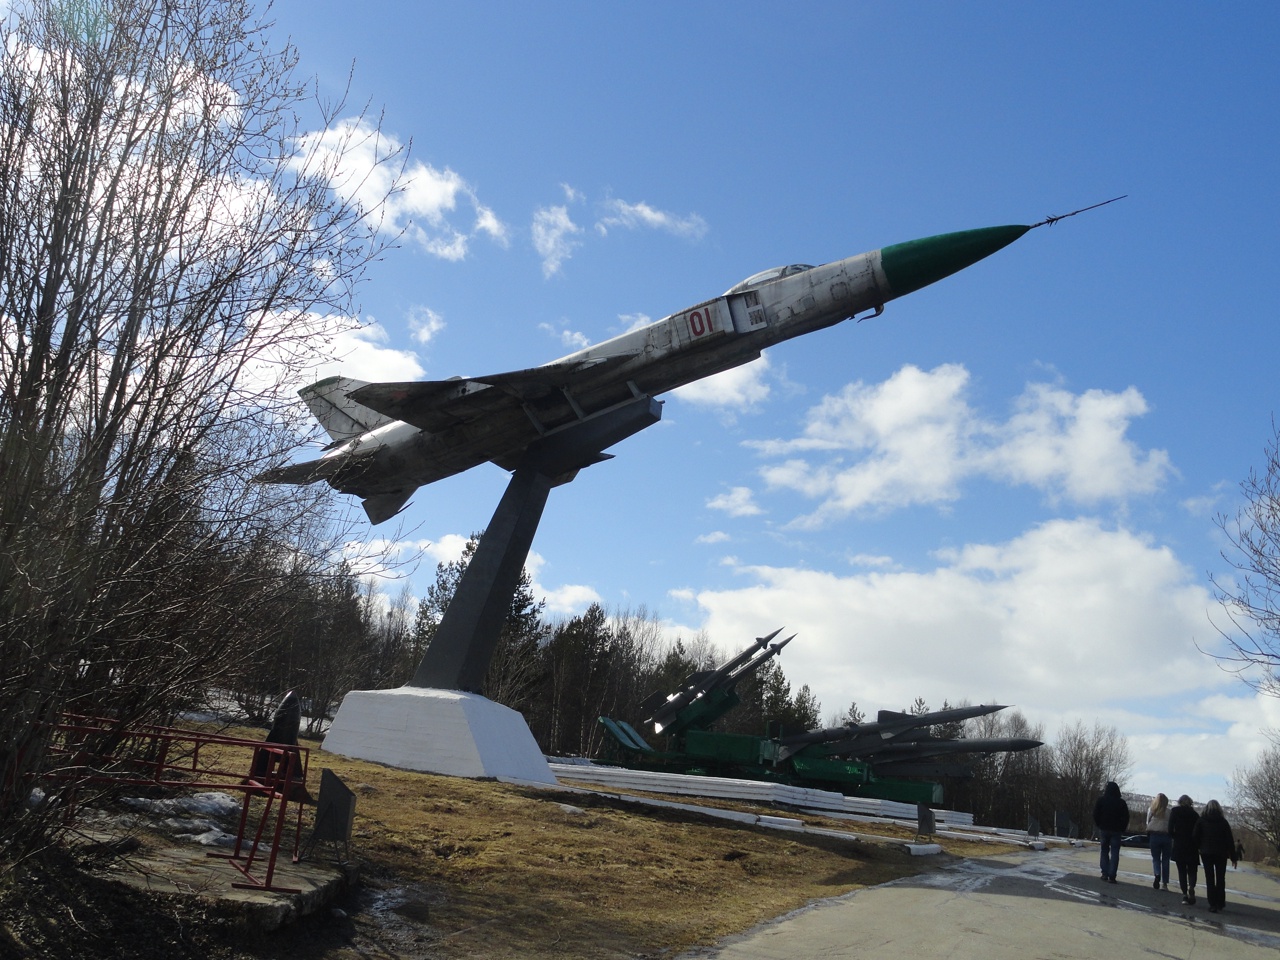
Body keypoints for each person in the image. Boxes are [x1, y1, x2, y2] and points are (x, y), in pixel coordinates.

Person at [1192, 799, 1237, 913]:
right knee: (1221, 878)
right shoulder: (1223, 822)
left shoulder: (1201, 821)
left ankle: (1212, 903)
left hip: (1206, 852)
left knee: (1210, 878)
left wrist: (1197, 849)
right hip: (1221, 853)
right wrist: (1233, 856)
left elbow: (1195, 837)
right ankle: (1220, 902)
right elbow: (1229, 840)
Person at [1092, 780, 1130, 883]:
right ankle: (1112, 875)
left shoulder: (1101, 800)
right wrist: (1122, 828)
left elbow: (1095, 814)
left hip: (1104, 828)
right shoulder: (1121, 803)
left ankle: (1105, 873)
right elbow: (1126, 817)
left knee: (1104, 851)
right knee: (1115, 853)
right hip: (1116, 830)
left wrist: (1099, 824)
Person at [1168, 794, 1200, 905]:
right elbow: (1199, 831)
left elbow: (1170, 828)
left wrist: (1175, 837)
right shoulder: (1195, 815)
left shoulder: (1175, 812)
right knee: (1192, 870)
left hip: (1179, 844)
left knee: (1181, 871)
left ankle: (1184, 895)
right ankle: (1191, 886)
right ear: (1190, 803)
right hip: (1192, 845)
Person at [1146, 793, 1173, 890]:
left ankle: (1157, 874)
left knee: (1156, 858)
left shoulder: (1152, 810)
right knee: (1166, 860)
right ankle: (1164, 883)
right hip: (1166, 836)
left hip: (1154, 835)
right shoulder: (1169, 812)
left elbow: (1147, 822)